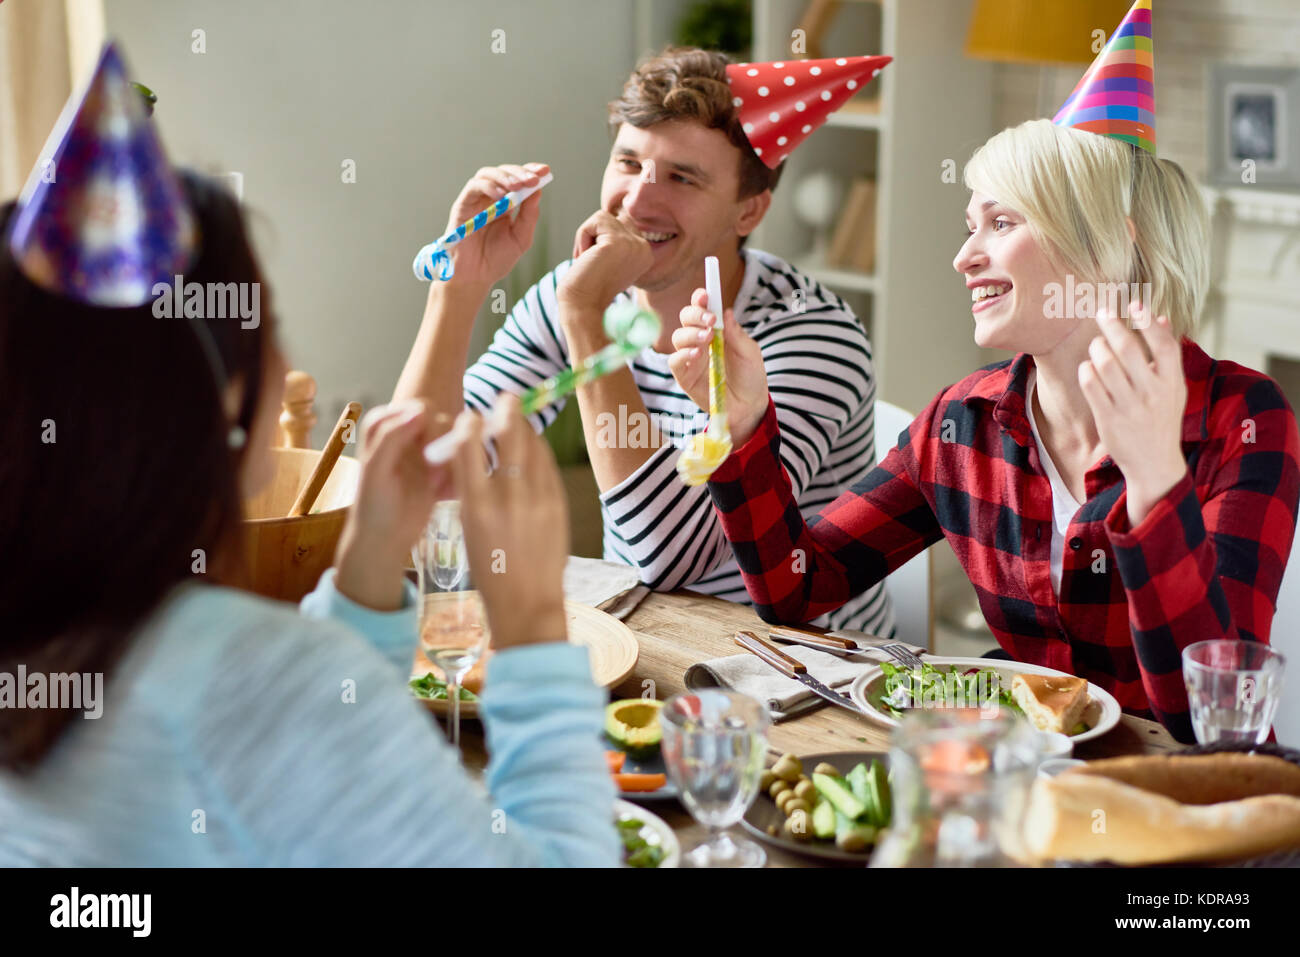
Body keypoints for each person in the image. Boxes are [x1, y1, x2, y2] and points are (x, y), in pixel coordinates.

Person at [0, 158, 618, 863]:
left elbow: (304, 782)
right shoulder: (250, 682)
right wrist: (535, 629)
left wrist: (365, 577)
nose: (287, 357)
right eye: (269, 329)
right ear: (224, 393)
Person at [669, 116, 1300, 743]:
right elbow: (796, 588)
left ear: (1112, 246)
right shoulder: (960, 423)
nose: (964, 257)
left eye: (1001, 223)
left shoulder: (1241, 418)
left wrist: (1157, 484)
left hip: (1183, 798)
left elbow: (1213, 718)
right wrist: (745, 421)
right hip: (1013, 778)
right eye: (971, 228)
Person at [394, 47, 897, 637]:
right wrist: (459, 285)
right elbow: (415, 478)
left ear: (749, 210)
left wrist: (586, 318)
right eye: (629, 163)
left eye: (682, 177)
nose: (637, 202)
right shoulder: (575, 292)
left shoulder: (811, 334)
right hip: (649, 642)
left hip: (810, 673)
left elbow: (665, 559)